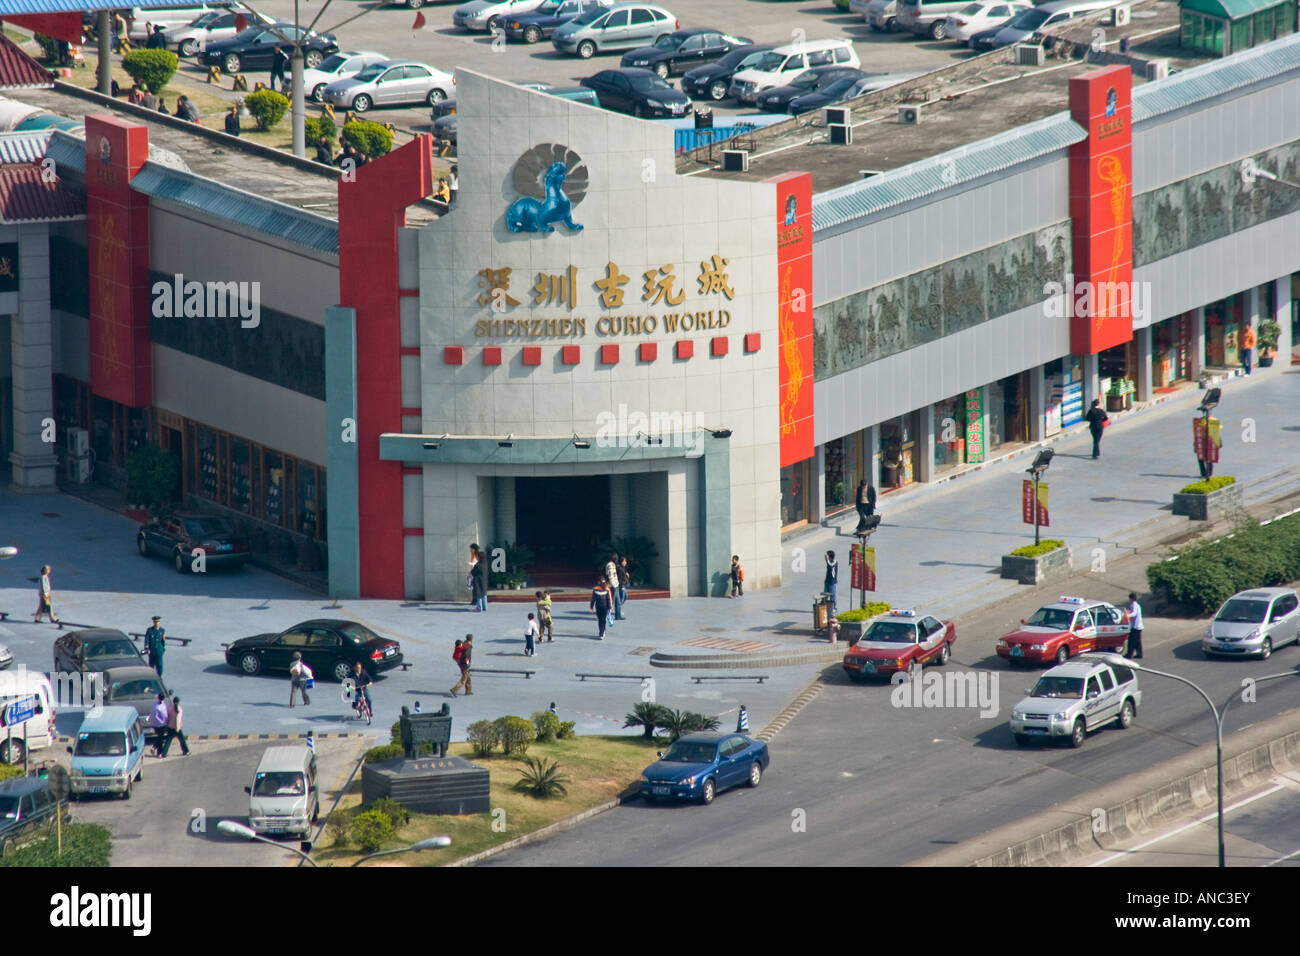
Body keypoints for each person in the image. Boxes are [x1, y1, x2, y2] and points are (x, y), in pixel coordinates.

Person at [590, 576, 612, 641]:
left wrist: (591, 607)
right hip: (605, 607)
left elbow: (593, 599)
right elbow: (609, 599)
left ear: (598, 582)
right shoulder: (607, 589)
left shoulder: (595, 589)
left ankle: (601, 632)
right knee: (603, 620)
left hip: (598, 607)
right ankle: (602, 632)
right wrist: (610, 607)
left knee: (600, 620)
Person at [469, 543, 488, 612]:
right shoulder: (484, 560)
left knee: (478, 593)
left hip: (478, 578)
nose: (470, 550)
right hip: (484, 578)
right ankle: (485, 607)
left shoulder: (476, 560)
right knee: (483, 593)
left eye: (471, 549)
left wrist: (471, 573)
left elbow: (474, 569)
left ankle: (479, 607)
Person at [1125, 592, 1144, 660]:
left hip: (1136, 627)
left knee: (1131, 641)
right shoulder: (1135, 605)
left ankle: (1129, 654)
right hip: (1137, 626)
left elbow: (1134, 614)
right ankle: (1139, 654)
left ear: (1131, 599)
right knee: (1137, 641)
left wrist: (1127, 615)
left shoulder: (1134, 605)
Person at [604, 554, 620, 626]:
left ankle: (618, 615)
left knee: (618, 601)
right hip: (613, 585)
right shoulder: (610, 565)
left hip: (616, 584)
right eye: (616, 559)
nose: (617, 560)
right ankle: (607, 614)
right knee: (611, 601)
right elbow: (610, 575)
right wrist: (613, 584)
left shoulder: (613, 564)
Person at [616, 556, 630, 620]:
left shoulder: (623, 568)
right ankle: (618, 610)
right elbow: (619, 579)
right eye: (624, 561)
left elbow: (624, 576)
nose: (625, 562)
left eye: (626, 561)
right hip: (621, 586)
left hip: (624, 585)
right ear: (621, 561)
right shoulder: (619, 568)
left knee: (625, 596)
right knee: (621, 598)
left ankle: (619, 609)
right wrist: (621, 586)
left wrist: (626, 574)